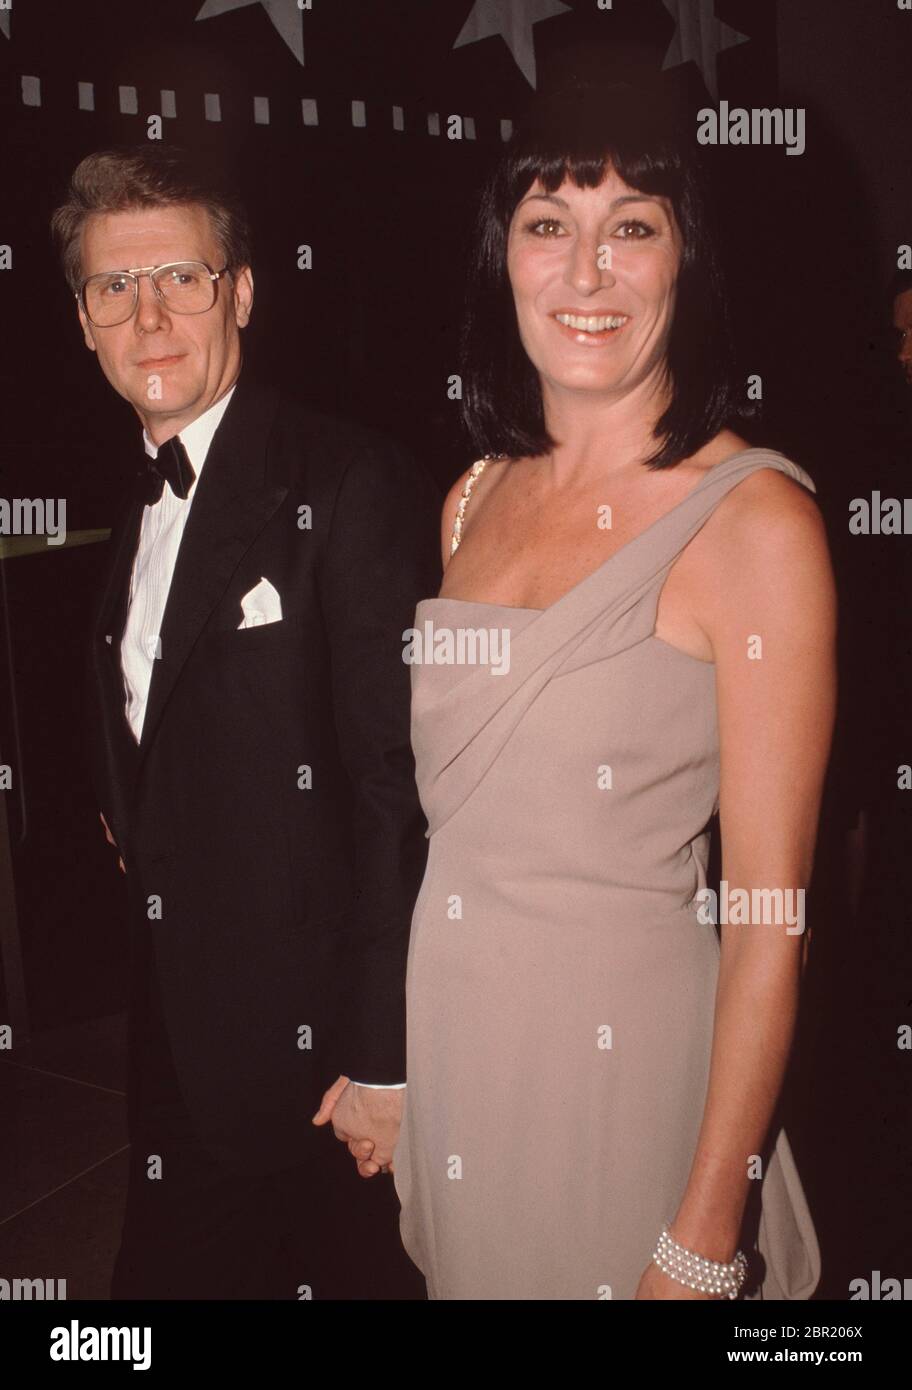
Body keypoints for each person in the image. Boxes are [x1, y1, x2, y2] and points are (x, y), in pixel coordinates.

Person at [378, 82, 835, 1300]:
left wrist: (700, 1231)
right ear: (503, 255)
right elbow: (457, 841)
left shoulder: (754, 526)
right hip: (470, 1058)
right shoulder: (470, 496)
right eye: (548, 223)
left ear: (689, 261)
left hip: (629, 1091)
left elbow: (770, 928)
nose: (587, 270)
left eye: (633, 225)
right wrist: (406, 1076)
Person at [50, 145, 438, 1299]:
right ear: (82, 320)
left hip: (324, 1072)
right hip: (179, 1029)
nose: (150, 313)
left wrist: (386, 1061)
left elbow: (396, 789)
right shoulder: (136, 503)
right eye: (116, 287)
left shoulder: (352, 481)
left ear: (244, 292)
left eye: (183, 275)